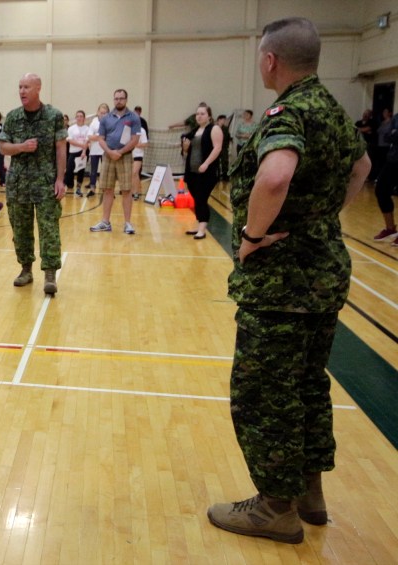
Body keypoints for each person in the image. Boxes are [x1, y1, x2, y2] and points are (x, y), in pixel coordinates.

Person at [206, 17, 371, 545]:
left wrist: (252, 236)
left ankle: (275, 507)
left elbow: (276, 174)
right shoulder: (333, 111)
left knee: (264, 392)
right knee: (307, 384)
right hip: (323, 273)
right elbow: (361, 166)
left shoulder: (288, 111)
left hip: (282, 282)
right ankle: (309, 492)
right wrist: (321, 217)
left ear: (271, 60)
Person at [0, 73, 67, 295]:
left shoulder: (54, 116)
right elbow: (3, 147)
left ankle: (49, 274)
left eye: (26, 87)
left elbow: (60, 148)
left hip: (45, 184)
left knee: (49, 229)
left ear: (38, 88)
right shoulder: (12, 117)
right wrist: (21, 147)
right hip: (18, 184)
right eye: (20, 87)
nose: (22, 91)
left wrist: (60, 179)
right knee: (21, 229)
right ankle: (25, 270)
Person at [89, 90, 141, 235]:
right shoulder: (106, 118)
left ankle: (128, 223)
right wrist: (110, 152)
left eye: (121, 98)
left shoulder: (134, 118)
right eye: (116, 98)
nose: (118, 101)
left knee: (126, 190)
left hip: (125, 157)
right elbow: (100, 139)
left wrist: (121, 152)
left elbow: (135, 140)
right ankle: (105, 222)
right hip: (108, 156)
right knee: (107, 189)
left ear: (126, 99)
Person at [181, 104, 223, 239]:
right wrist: (185, 148)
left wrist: (206, 164)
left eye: (202, 113)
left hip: (206, 172)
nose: (199, 116)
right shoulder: (194, 131)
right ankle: (199, 225)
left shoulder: (214, 129)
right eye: (197, 113)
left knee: (201, 198)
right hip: (192, 171)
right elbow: (186, 152)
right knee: (196, 198)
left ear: (209, 116)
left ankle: (202, 229)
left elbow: (217, 148)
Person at [372, 112, 398, 242]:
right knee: (381, 190)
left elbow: (394, 135)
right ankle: (390, 228)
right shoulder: (396, 117)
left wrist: (394, 134)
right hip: (393, 159)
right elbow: (387, 137)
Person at [85, 103, 109, 197]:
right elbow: (90, 136)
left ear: (108, 113)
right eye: (101, 112)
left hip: (106, 150)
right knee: (93, 170)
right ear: (98, 112)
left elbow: (110, 136)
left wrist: (98, 136)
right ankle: (92, 189)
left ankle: (106, 189)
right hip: (94, 150)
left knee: (106, 171)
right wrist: (100, 137)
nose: (102, 114)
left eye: (105, 113)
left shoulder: (109, 122)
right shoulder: (94, 122)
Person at [65, 110, 90, 196]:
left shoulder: (87, 129)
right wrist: (81, 144)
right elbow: (70, 140)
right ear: (75, 118)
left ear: (84, 118)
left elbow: (87, 141)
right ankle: (70, 185)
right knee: (69, 169)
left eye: (81, 116)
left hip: (83, 152)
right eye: (77, 116)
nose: (79, 118)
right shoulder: (71, 128)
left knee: (81, 170)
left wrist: (83, 151)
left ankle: (79, 187)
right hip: (73, 151)